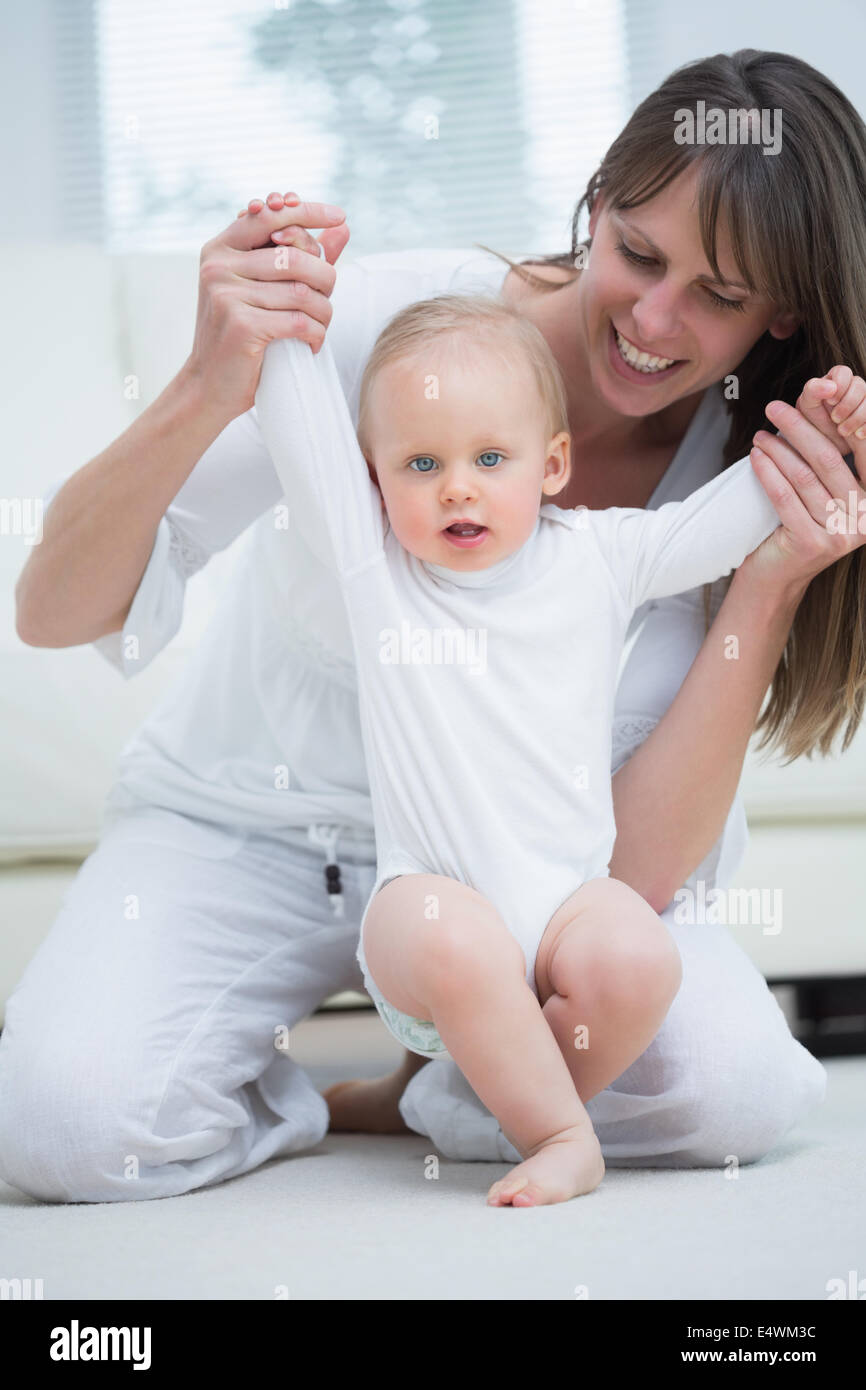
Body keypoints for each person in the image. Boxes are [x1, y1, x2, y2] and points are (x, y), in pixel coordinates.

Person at [3, 48, 865, 1203]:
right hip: (256, 829)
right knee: (64, 1127)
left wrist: (768, 581)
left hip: (534, 872)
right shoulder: (388, 332)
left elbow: (638, 873)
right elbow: (53, 610)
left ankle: (455, 1091)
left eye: (715, 296)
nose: (653, 321)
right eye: (638, 254)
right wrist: (212, 379)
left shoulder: (740, 474)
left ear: (779, 316)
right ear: (596, 204)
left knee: (730, 1089)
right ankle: (311, 1087)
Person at [258, 291, 859, 1206]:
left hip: (565, 908)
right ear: (375, 482)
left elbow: (714, 528)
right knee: (456, 943)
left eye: (489, 459)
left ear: (552, 464)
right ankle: (557, 1135)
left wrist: (810, 435)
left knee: (640, 960)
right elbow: (300, 437)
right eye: (421, 464)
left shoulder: (598, 555)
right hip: (426, 909)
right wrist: (281, 325)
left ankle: (458, 1096)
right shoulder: (376, 568)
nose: (457, 485)